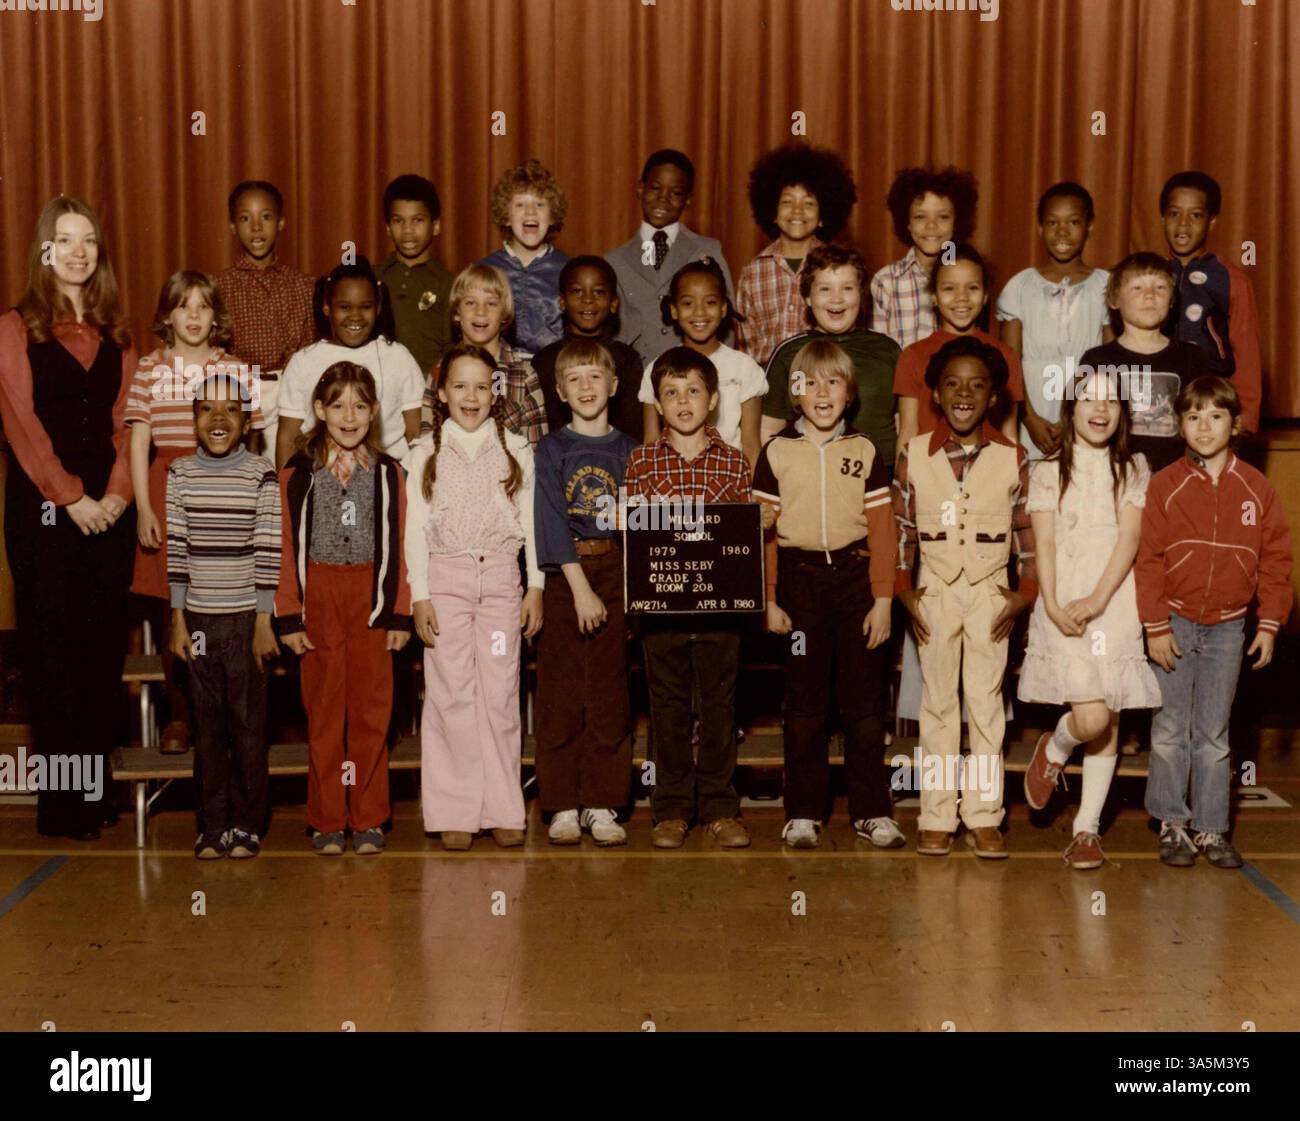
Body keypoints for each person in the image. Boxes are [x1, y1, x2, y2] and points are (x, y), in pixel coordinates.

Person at [0, 197, 138, 840]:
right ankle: (64, 805)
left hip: (105, 513)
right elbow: (22, 427)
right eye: (64, 239)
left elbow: (125, 423)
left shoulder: (119, 335)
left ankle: (95, 789)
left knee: (97, 652)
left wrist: (114, 496)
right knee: (52, 654)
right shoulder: (13, 327)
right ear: (45, 251)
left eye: (88, 240)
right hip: (45, 513)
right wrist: (71, 496)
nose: (78, 251)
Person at [1136, 377, 1293, 869]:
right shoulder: (1164, 485)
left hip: (1229, 628)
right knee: (1169, 729)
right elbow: (1148, 561)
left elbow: (1275, 561)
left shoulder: (1257, 489)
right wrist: (1155, 626)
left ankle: (1210, 828)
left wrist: (1268, 623)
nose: (1205, 426)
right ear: (1179, 425)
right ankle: (1172, 824)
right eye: (1193, 416)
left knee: (1214, 733)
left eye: (1216, 415)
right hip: (1176, 623)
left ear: (1236, 423)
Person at [754, 338, 901, 849]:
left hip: (855, 583)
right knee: (805, 703)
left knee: (863, 705)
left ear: (850, 393)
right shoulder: (775, 453)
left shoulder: (865, 452)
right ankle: (802, 812)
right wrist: (769, 599)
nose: (821, 392)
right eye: (809, 382)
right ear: (793, 395)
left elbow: (884, 532)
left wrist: (883, 599)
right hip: (798, 586)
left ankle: (872, 811)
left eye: (833, 382)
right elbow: (764, 536)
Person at [893, 337, 1036, 858]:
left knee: (985, 704)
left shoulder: (1013, 457)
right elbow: (902, 527)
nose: (963, 394)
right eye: (952, 383)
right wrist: (903, 589)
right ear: (934, 391)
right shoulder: (915, 454)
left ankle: (983, 814)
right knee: (935, 705)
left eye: (977, 385)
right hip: (933, 590)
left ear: (994, 396)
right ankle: (936, 813)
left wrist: (1026, 594)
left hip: (990, 593)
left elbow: (1026, 530)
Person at [1018, 369, 1160, 869]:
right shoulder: (1046, 470)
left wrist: (1099, 600)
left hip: (1113, 603)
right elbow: (1046, 544)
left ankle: (1086, 830)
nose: (1100, 410)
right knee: (1090, 717)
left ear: (1122, 413)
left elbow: (1128, 540)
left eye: (1111, 402)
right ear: (1071, 408)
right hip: (1063, 603)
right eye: (1089, 400)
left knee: (1109, 718)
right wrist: (1054, 604)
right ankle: (1055, 746)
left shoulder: (1134, 468)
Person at [407, 344, 544, 851]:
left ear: (496, 393)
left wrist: (536, 586)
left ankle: (504, 807)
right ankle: (455, 810)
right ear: (441, 394)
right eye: (460, 386)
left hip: (502, 582)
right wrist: (419, 595)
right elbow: (415, 530)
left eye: (482, 386)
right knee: (451, 693)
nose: (471, 396)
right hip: (446, 581)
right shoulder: (424, 452)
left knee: (501, 691)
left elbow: (530, 523)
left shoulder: (516, 448)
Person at [275, 362, 412, 855]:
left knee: (373, 711)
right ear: (318, 409)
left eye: (359, 405)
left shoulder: (391, 472)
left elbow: (400, 546)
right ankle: (328, 819)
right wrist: (289, 615)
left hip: (370, 596)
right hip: (320, 598)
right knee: (326, 711)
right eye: (337, 405)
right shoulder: (297, 473)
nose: (349, 416)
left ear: (374, 411)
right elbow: (285, 547)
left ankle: (370, 816)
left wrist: (398, 614)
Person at [128, 270, 264, 754]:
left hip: (225, 488)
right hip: (169, 489)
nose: (192, 315)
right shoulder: (150, 367)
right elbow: (139, 438)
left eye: (202, 306)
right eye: (182, 306)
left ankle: (230, 712)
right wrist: (145, 506)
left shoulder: (237, 369)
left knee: (224, 599)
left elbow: (256, 438)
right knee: (177, 607)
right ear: (167, 315)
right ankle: (181, 714)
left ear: (216, 317)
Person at [625, 346, 754, 850]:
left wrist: (756, 525)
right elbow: (638, 534)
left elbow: (741, 538)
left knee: (721, 708)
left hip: (721, 611)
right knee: (669, 709)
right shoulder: (640, 462)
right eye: (671, 393)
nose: (683, 402)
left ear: (714, 399)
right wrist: (627, 522)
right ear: (657, 404)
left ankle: (721, 806)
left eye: (694, 391)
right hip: (662, 614)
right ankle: (672, 809)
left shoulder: (735, 462)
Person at [166, 373, 280, 858]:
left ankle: (247, 823)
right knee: (208, 726)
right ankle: (212, 825)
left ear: (247, 420)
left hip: (243, 623)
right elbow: (176, 548)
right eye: (207, 409)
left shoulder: (261, 474)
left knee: (248, 727)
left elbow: (267, 549)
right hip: (199, 624)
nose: (218, 418)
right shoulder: (179, 474)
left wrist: (262, 621)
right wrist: (177, 618)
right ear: (193, 419)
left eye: (231, 410)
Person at [533, 340, 637, 845]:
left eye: (595, 377)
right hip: (565, 576)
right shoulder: (551, 449)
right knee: (560, 691)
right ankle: (560, 803)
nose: (586, 387)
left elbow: (642, 527)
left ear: (614, 386)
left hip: (615, 571)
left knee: (608, 689)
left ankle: (602, 801)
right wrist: (579, 589)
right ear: (559, 391)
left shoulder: (631, 450)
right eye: (574, 379)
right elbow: (550, 522)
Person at [997, 181, 1111, 459]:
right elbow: (1009, 362)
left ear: (1090, 226)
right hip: (1031, 411)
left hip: (1087, 412)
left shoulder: (1106, 286)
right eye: (1052, 223)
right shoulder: (1019, 287)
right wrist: (1030, 419)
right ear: (1039, 228)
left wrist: (1073, 419)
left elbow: (1109, 364)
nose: (1062, 232)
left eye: (1073, 222)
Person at [759, 243, 901, 463]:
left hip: (881, 478)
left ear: (861, 295)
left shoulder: (886, 350)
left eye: (847, 288)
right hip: (812, 474)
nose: (837, 299)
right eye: (825, 289)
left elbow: (903, 421)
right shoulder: (791, 354)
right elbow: (771, 426)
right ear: (807, 297)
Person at [275, 258, 423, 467]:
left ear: (378, 307)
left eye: (365, 307)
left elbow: (415, 433)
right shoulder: (303, 362)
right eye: (344, 307)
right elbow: (287, 437)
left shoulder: (398, 357)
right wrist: (286, 492)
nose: (355, 316)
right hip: (323, 472)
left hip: (389, 472)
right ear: (327, 307)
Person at [1078, 252, 1212, 473]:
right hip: (1113, 479)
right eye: (1137, 288)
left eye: (1160, 287)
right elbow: (1081, 428)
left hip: (1178, 479)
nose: (1150, 295)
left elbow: (1207, 426)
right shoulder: (1096, 360)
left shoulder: (1193, 358)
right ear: (1114, 300)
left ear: (1172, 300)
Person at [734, 142, 857, 366]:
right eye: (787, 202)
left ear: (822, 216)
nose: (797, 211)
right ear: (772, 211)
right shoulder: (753, 273)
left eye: (808, 203)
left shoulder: (839, 269)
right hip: (766, 389)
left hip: (823, 384)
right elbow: (746, 346)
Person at [215, 180, 315, 457]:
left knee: (286, 480)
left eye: (266, 217)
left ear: (281, 222)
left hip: (291, 394)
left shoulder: (304, 286)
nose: (256, 228)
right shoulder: (219, 287)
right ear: (233, 226)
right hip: (240, 393)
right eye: (246, 218)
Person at [606, 149, 733, 365]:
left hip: (696, 375)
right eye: (655, 188)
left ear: (688, 200)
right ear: (640, 189)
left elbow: (727, 323)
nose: (663, 199)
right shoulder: (615, 261)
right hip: (637, 381)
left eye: (675, 193)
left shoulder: (708, 250)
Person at [637, 257, 766, 469]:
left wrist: (749, 500)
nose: (699, 312)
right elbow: (651, 442)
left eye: (710, 303)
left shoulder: (744, 368)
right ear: (674, 309)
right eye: (688, 303)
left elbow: (751, 445)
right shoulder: (657, 367)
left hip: (728, 484)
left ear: (724, 308)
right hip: (674, 487)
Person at [1159, 171, 1262, 434]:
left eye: (1195, 215)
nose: (1183, 225)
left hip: (1211, 405)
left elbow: (1246, 353)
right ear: (1162, 218)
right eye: (1174, 214)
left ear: (1212, 221)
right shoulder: (1149, 275)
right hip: (1157, 404)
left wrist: (1245, 419)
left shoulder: (1231, 280)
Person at [422, 263, 548, 450]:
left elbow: (537, 449)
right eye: (471, 303)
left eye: (491, 303)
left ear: (504, 315)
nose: (481, 311)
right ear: (457, 313)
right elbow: (427, 440)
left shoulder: (522, 375)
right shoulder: (440, 372)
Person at [531, 255, 644, 440]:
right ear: (562, 301)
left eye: (598, 292)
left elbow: (634, 429)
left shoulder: (627, 359)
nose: (588, 300)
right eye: (577, 291)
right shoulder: (545, 361)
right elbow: (540, 427)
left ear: (614, 303)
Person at [870, 166, 978, 349]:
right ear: (907, 224)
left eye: (943, 217)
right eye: (920, 217)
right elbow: (878, 353)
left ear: (956, 223)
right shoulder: (886, 281)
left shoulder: (971, 277)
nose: (931, 226)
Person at [478, 159, 570, 354]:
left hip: (551, 372)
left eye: (540, 204)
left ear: (552, 215)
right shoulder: (485, 270)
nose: (530, 212)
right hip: (496, 370)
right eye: (520, 204)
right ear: (506, 216)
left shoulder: (568, 270)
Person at [377, 173, 455, 378]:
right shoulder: (372, 278)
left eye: (418, 220)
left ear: (436, 226)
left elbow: (451, 351)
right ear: (387, 227)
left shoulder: (449, 284)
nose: (408, 231)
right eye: (398, 221)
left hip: (426, 393)